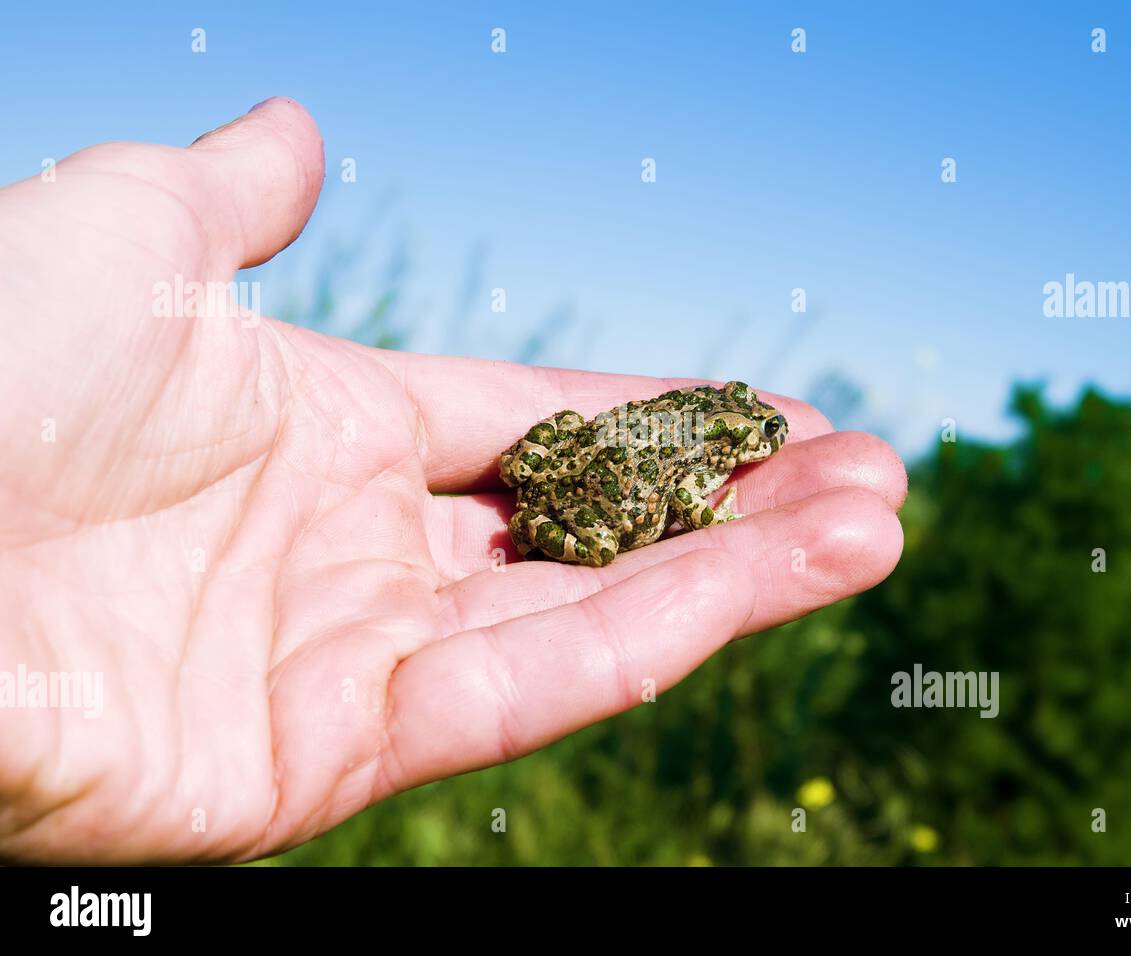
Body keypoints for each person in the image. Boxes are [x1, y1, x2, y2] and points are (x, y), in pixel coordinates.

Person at [0, 98, 907, 863]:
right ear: (724, 425)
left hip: (573, 460)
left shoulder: (686, 423)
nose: (755, 430)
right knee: (640, 514)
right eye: (745, 422)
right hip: (595, 492)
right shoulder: (694, 459)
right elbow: (668, 502)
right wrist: (679, 516)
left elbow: (594, 445)